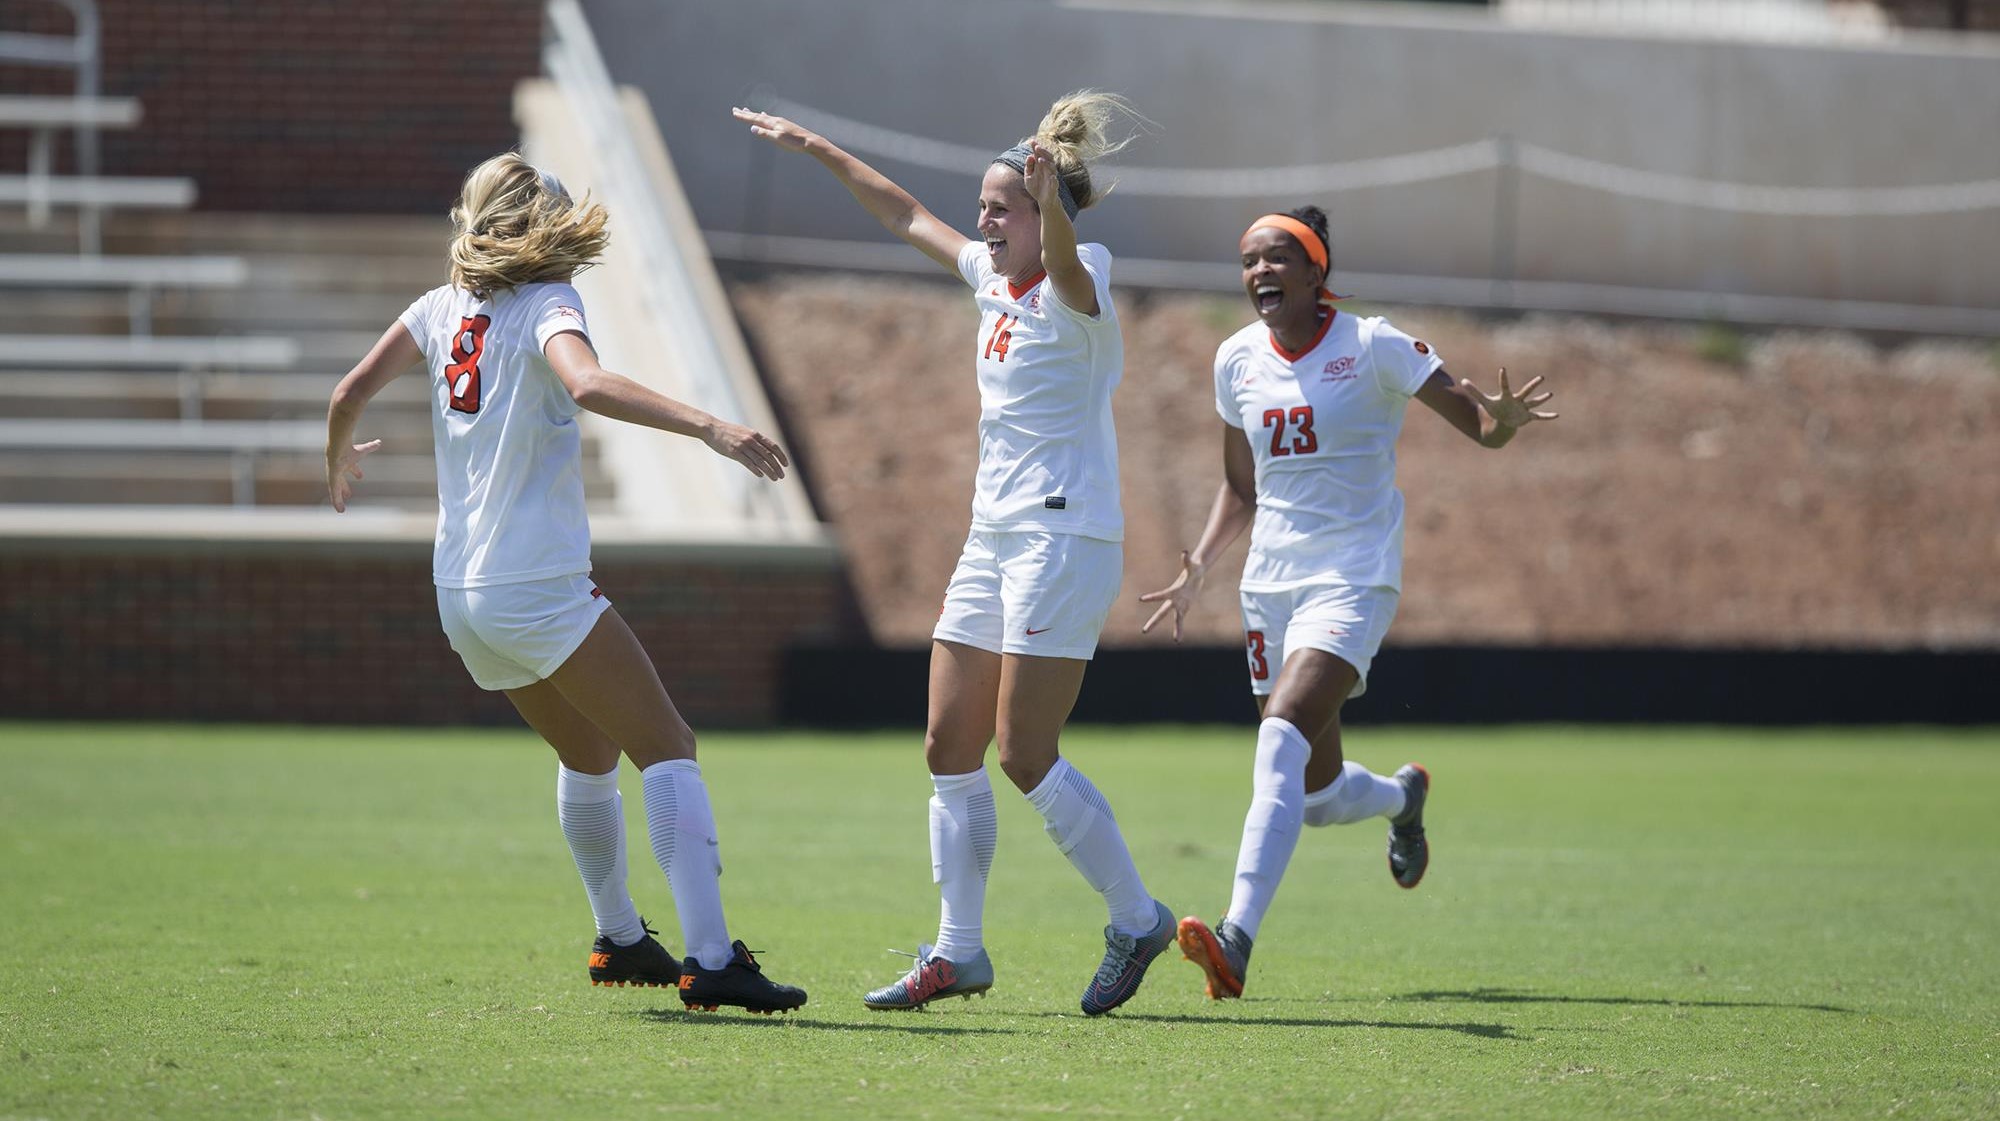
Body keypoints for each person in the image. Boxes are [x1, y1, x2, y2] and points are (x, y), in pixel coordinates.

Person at [324, 153, 806, 1015]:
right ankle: (712, 960)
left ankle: (619, 936)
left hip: (460, 598)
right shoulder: (548, 302)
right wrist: (711, 426)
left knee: (588, 751)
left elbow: (349, 390)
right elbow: (585, 381)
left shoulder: (438, 308)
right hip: (535, 583)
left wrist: (338, 455)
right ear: (530, 221)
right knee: (670, 746)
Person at [735, 94, 1177, 1016]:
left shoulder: (1081, 267)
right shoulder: (989, 276)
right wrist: (816, 142)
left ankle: (1137, 917)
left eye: (1003, 205)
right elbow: (902, 213)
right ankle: (957, 951)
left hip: (1065, 534)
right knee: (947, 743)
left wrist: (1051, 204)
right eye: (985, 204)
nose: (985, 218)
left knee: (1025, 752)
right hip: (994, 533)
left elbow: (1060, 257)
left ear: (1046, 209)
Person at [1139, 206, 1556, 999]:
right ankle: (1402, 797)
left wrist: (1501, 425)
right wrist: (1198, 565)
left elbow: (1480, 424)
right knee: (1316, 794)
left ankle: (1235, 941)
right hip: (1270, 583)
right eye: (1248, 261)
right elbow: (1241, 486)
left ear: (1314, 272)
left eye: (1276, 259)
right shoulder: (1234, 359)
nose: (1259, 272)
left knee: (1277, 740)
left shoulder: (1372, 345)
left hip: (1352, 575)